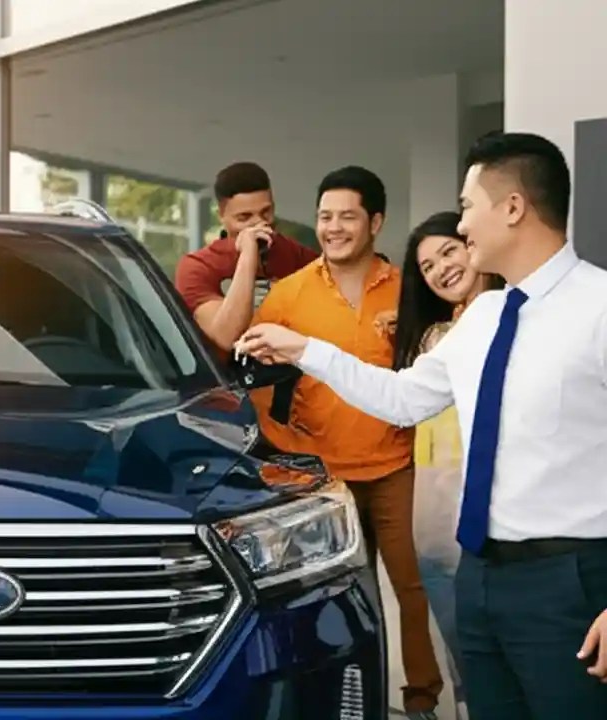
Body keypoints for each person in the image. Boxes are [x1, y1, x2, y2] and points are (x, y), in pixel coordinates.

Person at [235, 131, 607, 719]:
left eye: (467, 207)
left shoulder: (600, 308)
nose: (461, 228)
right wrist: (306, 349)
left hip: (574, 584)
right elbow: (403, 398)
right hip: (481, 579)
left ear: (513, 208)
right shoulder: (485, 316)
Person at [248, 165, 443, 718]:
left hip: (397, 466)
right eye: (325, 217)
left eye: (347, 217)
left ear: (375, 222)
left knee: (413, 588)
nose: (333, 228)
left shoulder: (409, 288)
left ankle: (423, 701)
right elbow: (256, 375)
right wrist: (288, 444)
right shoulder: (289, 293)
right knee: (339, 597)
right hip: (324, 477)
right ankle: (353, 703)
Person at [390, 210, 505, 715]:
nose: (440, 269)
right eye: (427, 265)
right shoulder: (432, 340)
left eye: (448, 251)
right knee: (468, 671)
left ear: (473, 245)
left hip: (496, 529)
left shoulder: (511, 318)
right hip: (434, 531)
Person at [174, 161, 317, 350]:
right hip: (229, 377)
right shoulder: (197, 266)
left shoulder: (292, 252)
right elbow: (226, 337)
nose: (259, 223)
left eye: (266, 212)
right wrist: (248, 255)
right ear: (222, 216)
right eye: (244, 217)